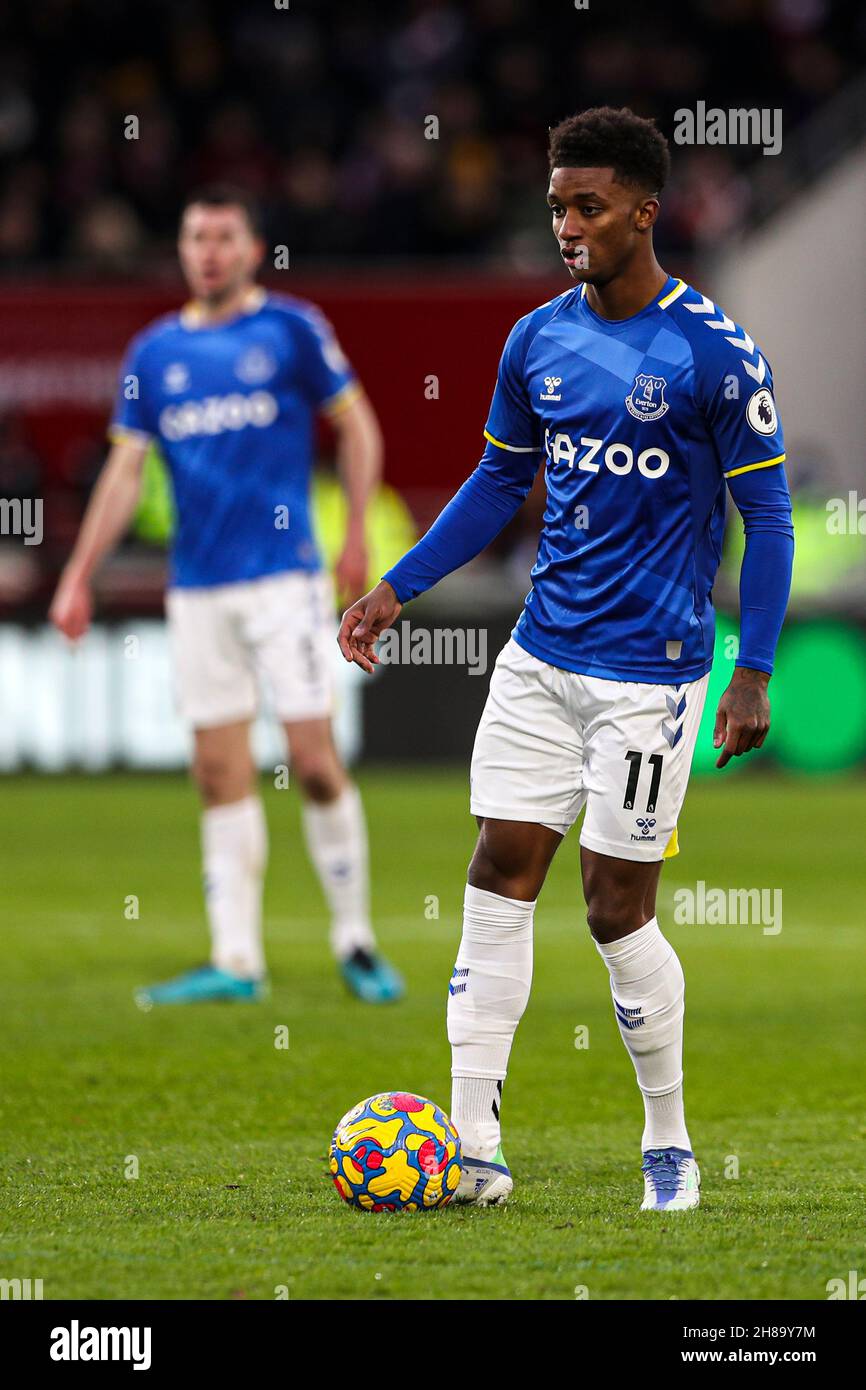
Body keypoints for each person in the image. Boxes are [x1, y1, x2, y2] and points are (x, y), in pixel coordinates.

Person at [338, 107, 794, 1206]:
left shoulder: (713, 355)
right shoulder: (534, 338)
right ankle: (473, 1146)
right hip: (540, 656)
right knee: (496, 872)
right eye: (554, 206)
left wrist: (753, 669)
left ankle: (668, 1141)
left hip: (653, 673)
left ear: (646, 210)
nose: (566, 226)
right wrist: (398, 585)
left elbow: (766, 518)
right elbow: (497, 481)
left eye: (587, 207)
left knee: (611, 905)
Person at [51, 185, 403, 1007]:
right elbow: (125, 470)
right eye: (195, 237)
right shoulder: (154, 353)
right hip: (197, 589)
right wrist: (78, 575)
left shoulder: (290, 328)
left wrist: (355, 531)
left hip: (285, 579)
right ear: (182, 251)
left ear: (252, 249)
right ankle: (237, 962)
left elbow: (357, 426)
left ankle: (354, 939)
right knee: (218, 772)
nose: (208, 250)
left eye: (223, 236)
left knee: (313, 761)